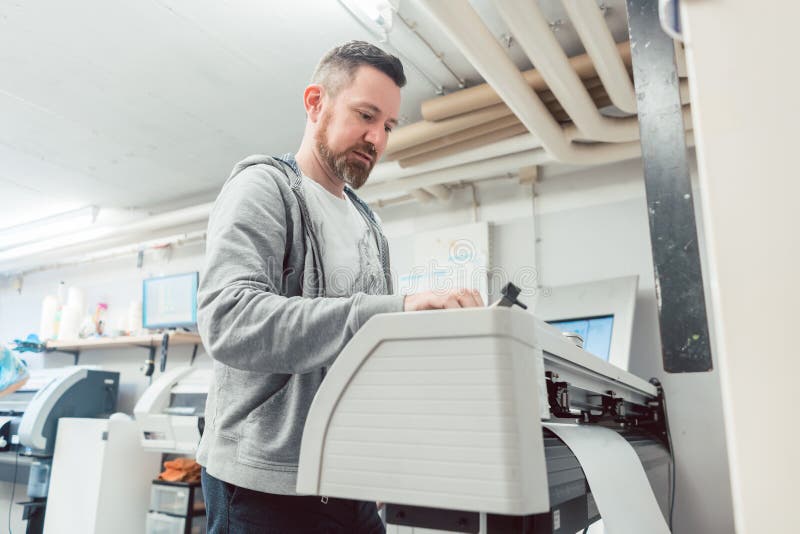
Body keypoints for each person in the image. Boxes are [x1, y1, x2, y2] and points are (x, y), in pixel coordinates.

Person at [197, 40, 484, 534]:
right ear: (315, 103)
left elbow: (367, 350)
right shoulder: (265, 188)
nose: (377, 138)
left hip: (350, 483)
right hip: (266, 490)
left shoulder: (369, 226)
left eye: (389, 126)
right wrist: (394, 309)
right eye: (366, 115)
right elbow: (229, 321)